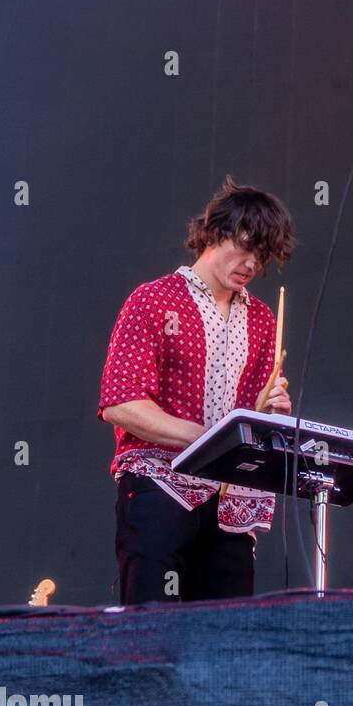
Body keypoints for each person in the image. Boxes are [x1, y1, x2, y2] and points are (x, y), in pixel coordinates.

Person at [98, 176, 294, 604]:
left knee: (224, 641)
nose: (251, 264)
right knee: (154, 629)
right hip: (160, 484)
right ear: (217, 231)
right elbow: (121, 402)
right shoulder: (152, 300)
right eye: (245, 246)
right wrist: (210, 439)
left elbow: (255, 421)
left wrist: (271, 415)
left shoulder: (262, 320)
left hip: (229, 502)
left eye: (261, 257)